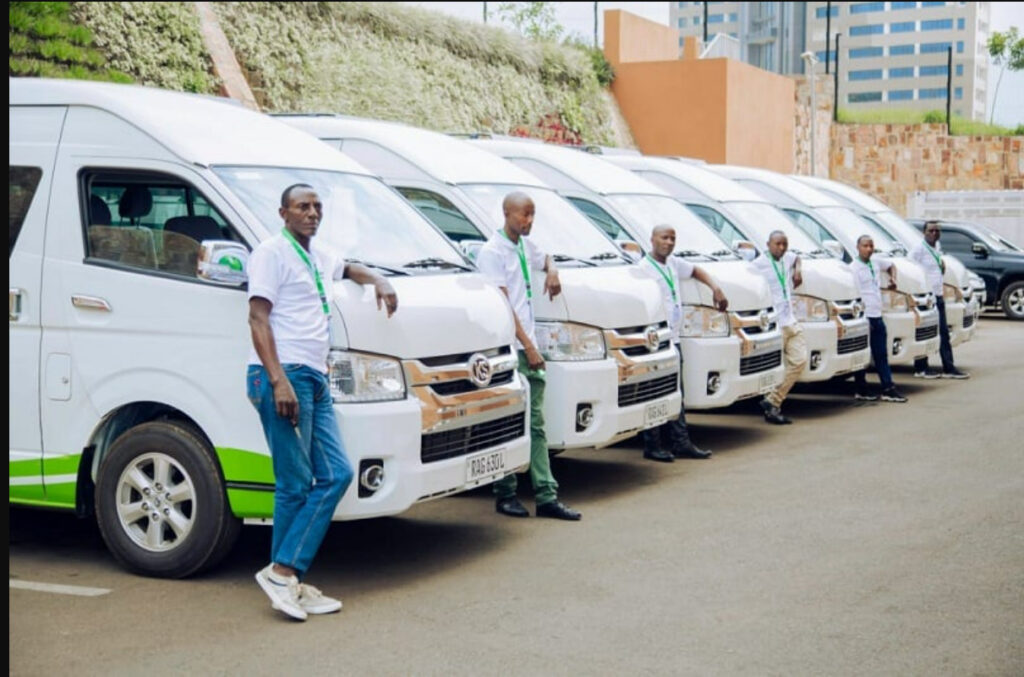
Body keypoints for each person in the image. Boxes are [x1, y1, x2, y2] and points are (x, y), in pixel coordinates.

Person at [247, 183, 398, 621]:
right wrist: (278, 380)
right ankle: (283, 575)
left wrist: (380, 280)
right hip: (285, 375)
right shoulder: (270, 253)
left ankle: (284, 575)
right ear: (283, 212)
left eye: (316, 207)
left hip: (314, 376)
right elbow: (257, 317)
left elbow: (348, 268)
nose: (312, 213)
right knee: (294, 483)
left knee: (336, 473)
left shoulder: (317, 255)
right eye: (302, 207)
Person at [475, 192, 581, 521]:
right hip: (512, 349)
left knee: (535, 423)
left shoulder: (523, 246)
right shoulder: (492, 253)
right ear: (506, 213)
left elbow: (545, 257)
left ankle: (545, 495)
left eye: (533, 215)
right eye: (524, 215)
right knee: (512, 423)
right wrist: (530, 347)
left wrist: (553, 271)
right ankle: (507, 493)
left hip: (528, 345)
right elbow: (505, 308)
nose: (529, 221)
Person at [638, 225, 728, 462]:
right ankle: (652, 445)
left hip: (675, 339)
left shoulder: (674, 264)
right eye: (664, 238)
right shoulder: (643, 269)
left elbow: (697, 270)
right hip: (657, 340)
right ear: (652, 239)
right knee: (655, 392)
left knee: (677, 391)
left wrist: (716, 288)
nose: (668, 242)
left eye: (672, 238)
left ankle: (681, 442)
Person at [751, 231, 808, 425]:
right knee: (775, 367)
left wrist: (798, 270)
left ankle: (772, 400)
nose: (781, 248)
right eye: (777, 244)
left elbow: (797, 258)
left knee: (800, 360)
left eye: (784, 244)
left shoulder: (787, 258)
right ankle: (773, 408)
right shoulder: (758, 265)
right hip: (776, 323)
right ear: (768, 244)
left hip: (790, 319)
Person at [849, 235, 908, 403]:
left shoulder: (875, 262)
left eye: (871, 246)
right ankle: (861, 388)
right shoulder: (853, 268)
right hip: (865, 316)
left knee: (881, 354)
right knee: (862, 355)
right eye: (865, 246)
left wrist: (893, 278)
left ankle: (888, 387)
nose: (869, 249)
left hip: (877, 314)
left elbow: (891, 266)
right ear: (858, 247)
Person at [909, 220, 969, 379]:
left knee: (943, 332)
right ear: (924, 232)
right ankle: (921, 367)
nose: (934, 233)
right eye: (931, 231)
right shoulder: (918, 249)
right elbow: (911, 270)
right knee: (925, 332)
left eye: (937, 231)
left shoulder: (937, 247)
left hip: (938, 295)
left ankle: (949, 367)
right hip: (927, 298)